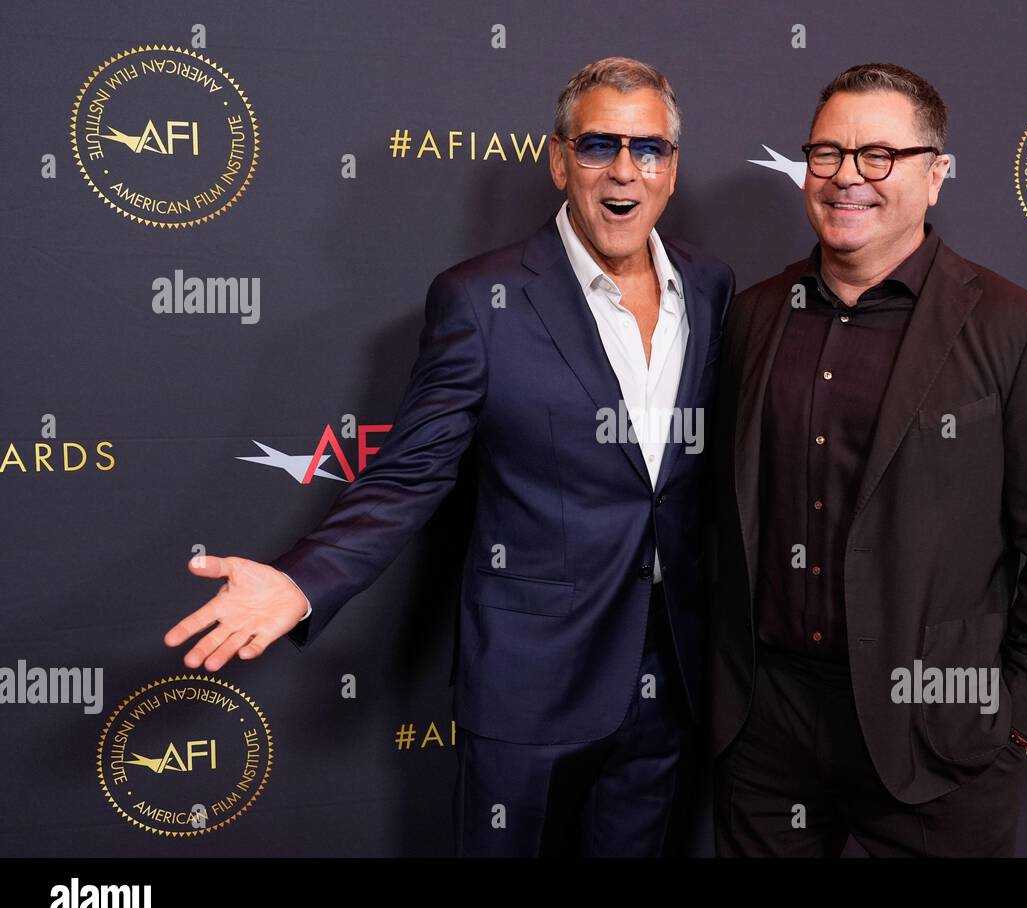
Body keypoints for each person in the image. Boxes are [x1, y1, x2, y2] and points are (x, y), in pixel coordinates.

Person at [164, 56, 735, 857]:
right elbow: (410, 471)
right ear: (559, 158)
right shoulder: (482, 298)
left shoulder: (711, 288)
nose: (624, 171)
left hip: (669, 676)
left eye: (648, 150)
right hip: (531, 683)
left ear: (672, 168)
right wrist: (301, 582)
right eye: (599, 144)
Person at [708, 63, 1027, 856]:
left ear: (935, 176)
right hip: (768, 727)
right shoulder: (754, 315)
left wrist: (1015, 716)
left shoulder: (1018, 328)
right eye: (827, 154)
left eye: (878, 156)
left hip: (938, 737)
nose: (847, 177)